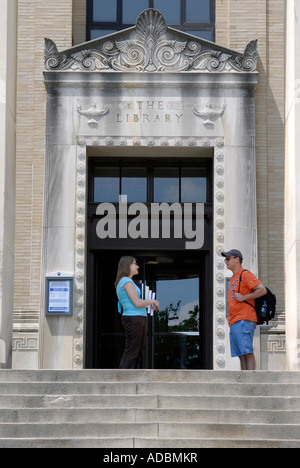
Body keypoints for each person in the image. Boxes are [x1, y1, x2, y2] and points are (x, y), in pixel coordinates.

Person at [222, 249, 266, 371]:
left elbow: (262, 290)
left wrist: (244, 297)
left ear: (237, 259)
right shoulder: (232, 279)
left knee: (247, 352)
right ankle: (244, 380)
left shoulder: (245, 274)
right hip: (234, 320)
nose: (225, 261)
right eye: (225, 259)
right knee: (241, 354)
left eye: (228, 258)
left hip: (244, 318)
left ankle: (250, 381)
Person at [115, 256, 159, 369]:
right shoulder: (126, 281)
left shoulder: (127, 281)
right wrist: (153, 301)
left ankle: (133, 377)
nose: (137, 266)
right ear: (127, 266)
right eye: (135, 263)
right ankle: (123, 379)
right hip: (133, 318)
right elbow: (137, 302)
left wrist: (148, 304)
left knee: (137, 351)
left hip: (138, 318)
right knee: (132, 352)